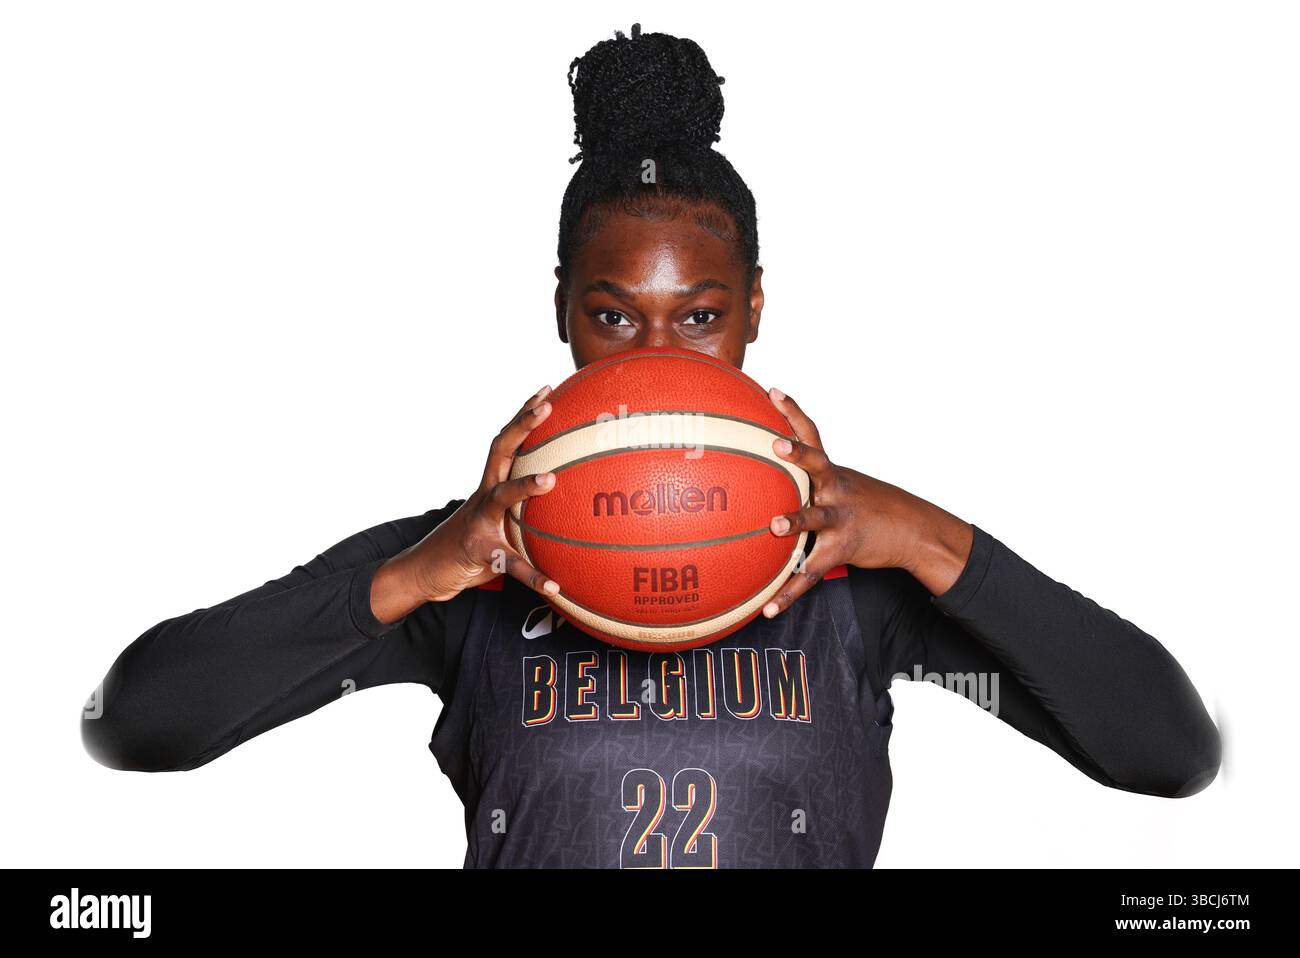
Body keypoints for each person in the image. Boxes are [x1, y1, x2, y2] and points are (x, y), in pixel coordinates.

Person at [81, 23, 1220, 868]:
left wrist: (928, 539)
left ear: (758, 309)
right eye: (614, 315)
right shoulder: (470, 567)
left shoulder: (858, 582)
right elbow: (134, 725)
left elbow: (1169, 755)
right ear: (563, 309)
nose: (653, 352)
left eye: (702, 315)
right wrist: (410, 574)